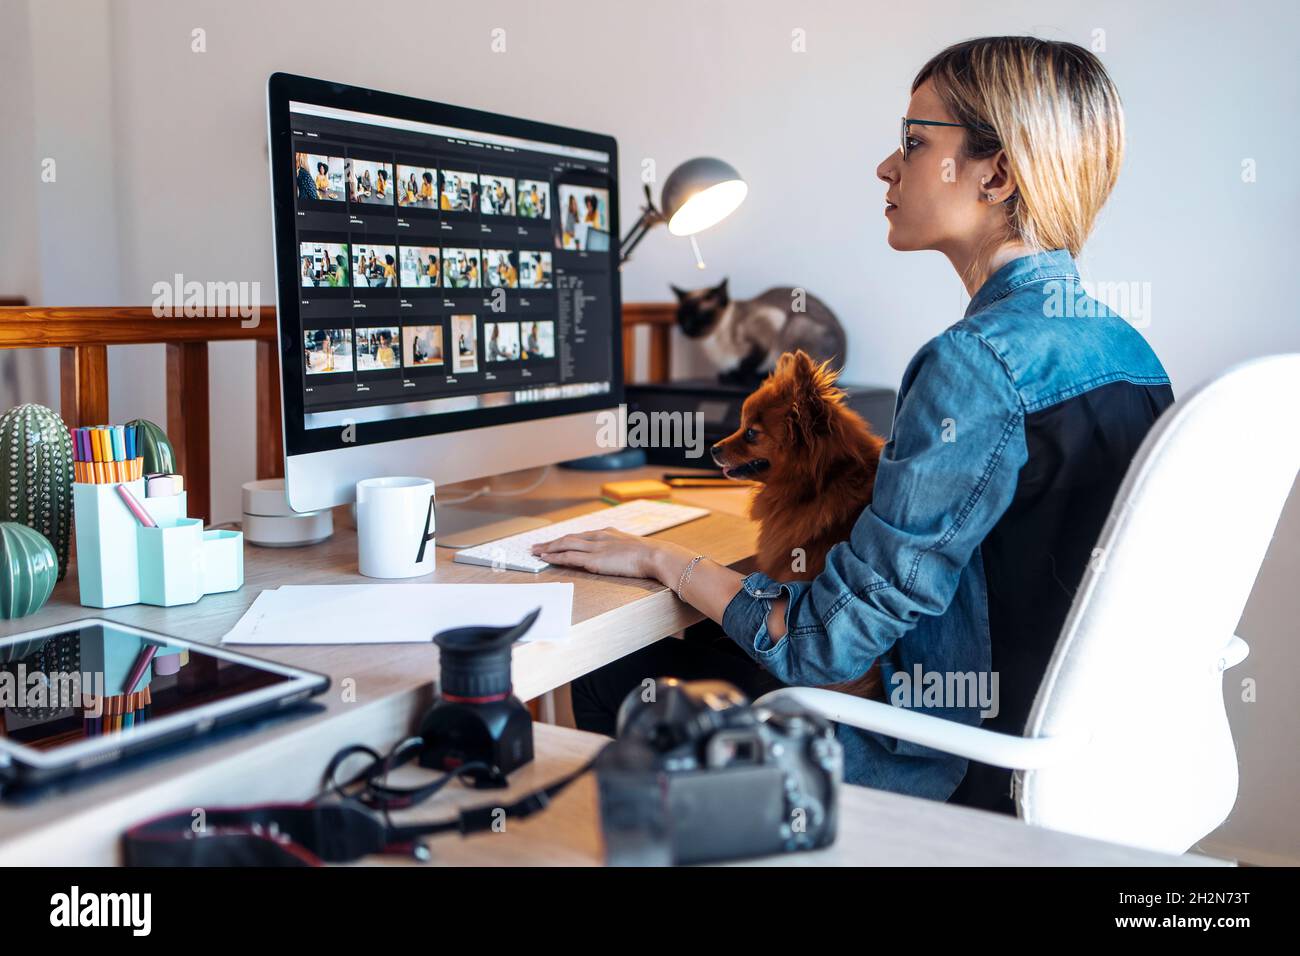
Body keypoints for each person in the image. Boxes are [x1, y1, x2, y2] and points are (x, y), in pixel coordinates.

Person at [529, 36, 1172, 816]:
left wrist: (665, 561)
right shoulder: (1126, 348)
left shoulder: (975, 363)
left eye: (912, 141)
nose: (885, 167)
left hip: (948, 761)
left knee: (614, 670)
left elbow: (820, 644)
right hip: (1073, 756)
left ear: (996, 172)